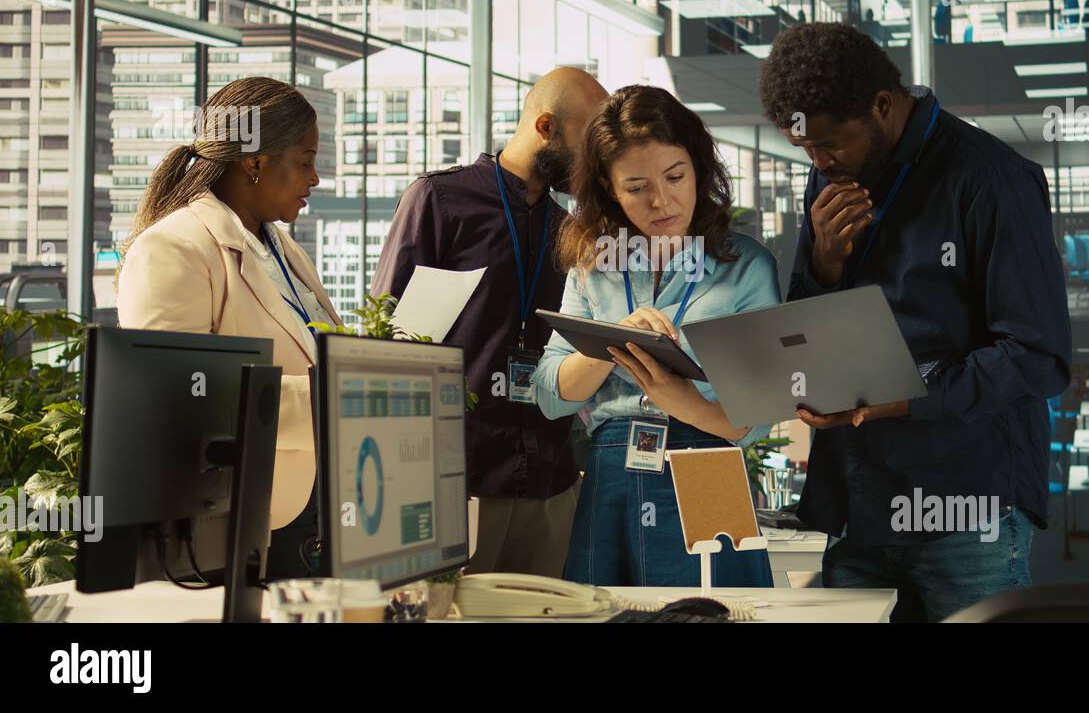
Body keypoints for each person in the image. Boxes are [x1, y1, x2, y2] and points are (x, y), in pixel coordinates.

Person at [757, 23, 1072, 621]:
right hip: (853, 502)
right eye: (806, 151)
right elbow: (808, 322)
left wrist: (899, 395)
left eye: (829, 146)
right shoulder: (827, 176)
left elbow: (1039, 356)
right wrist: (822, 262)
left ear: (881, 105)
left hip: (966, 505)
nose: (819, 163)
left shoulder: (993, 180)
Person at [533, 85, 781, 587]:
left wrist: (684, 402)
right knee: (609, 614)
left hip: (711, 463)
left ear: (699, 168)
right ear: (608, 186)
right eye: (636, 187)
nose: (661, 201)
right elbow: (549, 395)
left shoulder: (746, 264)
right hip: (613, 467)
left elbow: (757, 417)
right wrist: (610, 342)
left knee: (720, 612)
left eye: (675, 177)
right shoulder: (594, 264)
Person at [370, 67, 608, 578]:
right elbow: (383, 337)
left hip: (550, 479)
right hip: (458, 480)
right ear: (546, 127)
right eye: (589, 142)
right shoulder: (439, 200)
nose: (597, 160)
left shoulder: (570, 229)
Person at [116, 76, 343, 579]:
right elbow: (175, 397)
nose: (316, 179)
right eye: (305, 162)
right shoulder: (173, 248)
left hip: (304, 513)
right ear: (255, 163)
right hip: (231, 528)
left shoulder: (283, 250)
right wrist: (332, 401)